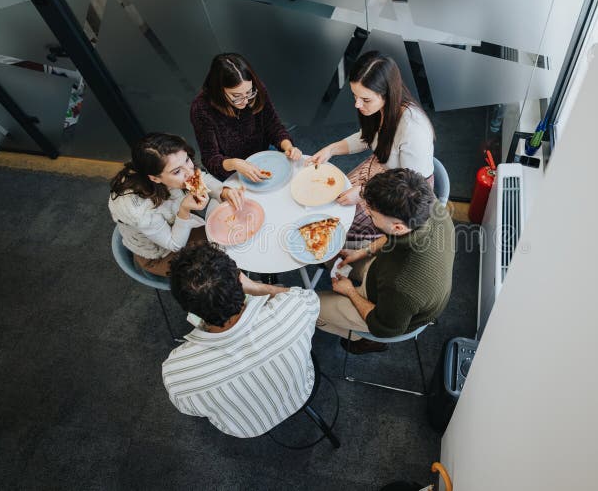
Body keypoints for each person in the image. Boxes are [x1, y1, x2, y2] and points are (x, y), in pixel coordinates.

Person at [162, 243, 320, 438]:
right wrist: (256, 287)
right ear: (240, 280)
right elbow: (309, 298)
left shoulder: (177, 373)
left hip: (247, 428)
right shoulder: (294, 308)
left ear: (186, 308)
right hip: (302, 390)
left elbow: (190, 409)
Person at [316, 169, 454, 354]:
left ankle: (363, 339)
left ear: (397, 226)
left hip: (388, 313)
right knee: (331, 248)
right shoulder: (429, 205)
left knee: (311, 307)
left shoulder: (403, 286)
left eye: (372, 215)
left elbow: (383, 327)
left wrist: (350, 291)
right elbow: (395, 237)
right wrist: (363, 251)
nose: (368, 214)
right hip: (387, 271)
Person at [307, 51, 435, 243]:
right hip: (384, 169)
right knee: (330, 203)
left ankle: (349, 258)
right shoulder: (380, 108)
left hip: (404, 193)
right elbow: (366, 136)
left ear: (387, 94)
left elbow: (409, 187)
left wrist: (362, 192)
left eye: (365, 99)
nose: (357, 104)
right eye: (355, 96)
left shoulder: (413, 129)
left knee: (337, 227)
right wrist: (331, 149)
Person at [109, 132, 246, 277]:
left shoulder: (171, 169)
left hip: (179, 228)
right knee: (223, 266)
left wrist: (223, 191)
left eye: (187, 160)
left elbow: (201, 178)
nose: (190, 172)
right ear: (154, 178)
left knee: (233, 231)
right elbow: (174, 244)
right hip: (162, 254)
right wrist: (184, 210)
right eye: (177, 171)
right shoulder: (140, 212)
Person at [190, 53, 302, 182]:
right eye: (236, 96)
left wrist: (287, 146)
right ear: (219, 91)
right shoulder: (201, 108)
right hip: (230, 170)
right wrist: (235, 164)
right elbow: (210, 158)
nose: (245, 101)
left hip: (262, 155)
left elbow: (273, 125)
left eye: (249, 93)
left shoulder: (257, 90)